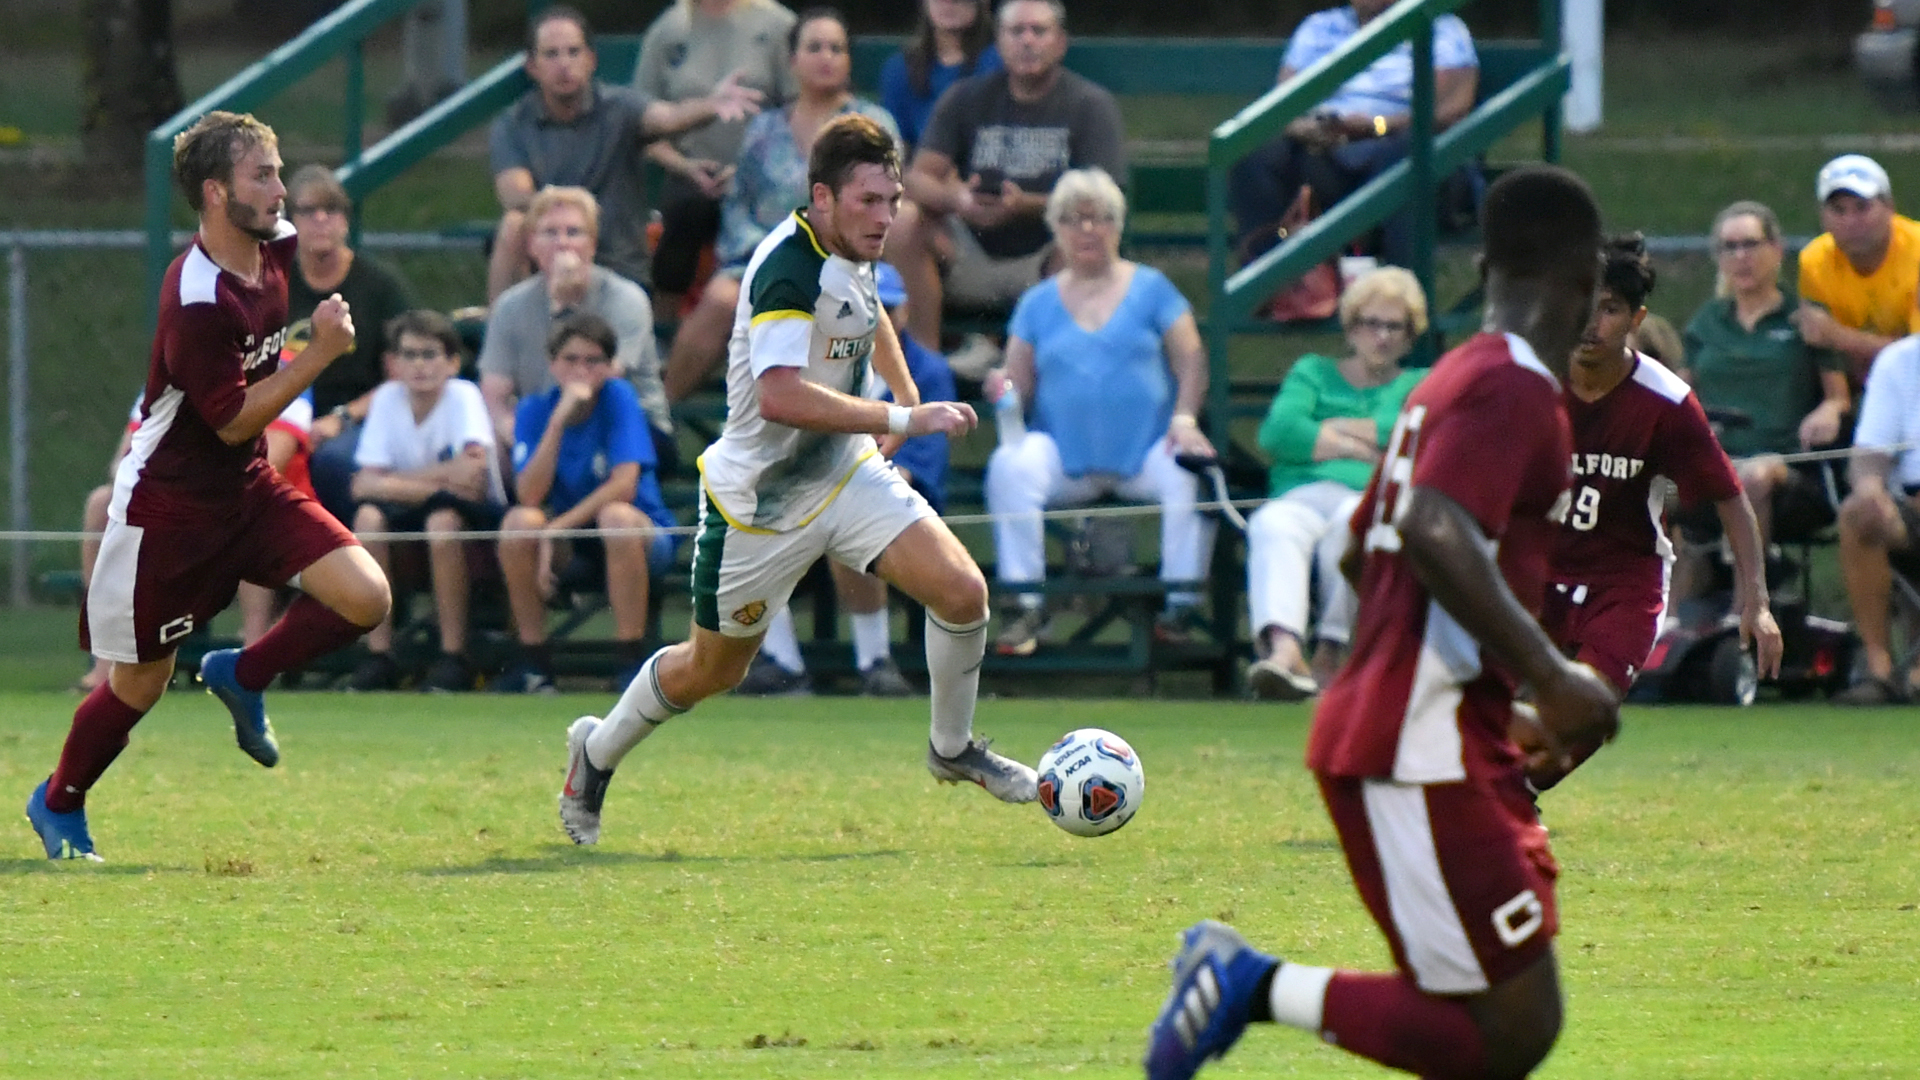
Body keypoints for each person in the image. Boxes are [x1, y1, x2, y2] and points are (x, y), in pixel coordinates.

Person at [1142, 165, 1620, 1080]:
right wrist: (1552, 679)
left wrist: (1482, 694)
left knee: (1517, 1021)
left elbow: (1367, 552)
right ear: (1586, 284)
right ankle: (1243, 982)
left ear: (1485, 268)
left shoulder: (1448, 380)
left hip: (1427, 728)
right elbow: (1434, 529)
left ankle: (1250, 983)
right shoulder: (1512, 387)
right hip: (1414, 745)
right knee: (1503, 1026)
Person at [553, 114, 1032, 848]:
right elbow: (778, 396)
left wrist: (899, 402)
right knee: (709, 671)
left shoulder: (854, 247)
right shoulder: (786, 268)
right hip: (760, 505)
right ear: (823, 197)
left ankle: (952, 747)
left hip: (844, 474)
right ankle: (596, 751)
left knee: (964, 592)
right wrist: (902, 421)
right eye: (869, 201)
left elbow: (870, 319)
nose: (886, 216)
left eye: (893, 199)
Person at [24, 111, 391, 861]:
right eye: (265, 174)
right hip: (169, 509)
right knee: (141, 684)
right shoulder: (195, 299)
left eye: (280, 170)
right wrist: (318, 353)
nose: (283, 189)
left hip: (247, 489)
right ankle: (58, 801)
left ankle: (241, 672)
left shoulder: (277, 245)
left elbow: (242, 435)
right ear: (218, 194)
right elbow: (227, 422)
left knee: (366, 597)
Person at [1536, 235, 1783, 788]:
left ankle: (1511, 796)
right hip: (1533, 571)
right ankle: (1489, 799)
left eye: (1609, 309)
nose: (1590, 323)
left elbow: (1729, 495)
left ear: (1635, 318)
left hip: (1624, 580)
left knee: (1591, 712)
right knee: (1476, 701)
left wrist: (1757, 603)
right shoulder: (1530, 383)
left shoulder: (1665, 401)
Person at [982, 168, 1215, 657]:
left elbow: (1191, 356)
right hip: (1064, 455)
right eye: (1073, 219)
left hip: (1148, 447)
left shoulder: (1153, 289)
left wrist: (1185, 417)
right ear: (1056, 228)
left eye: (1099, 218)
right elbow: (1017, 382)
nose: (1087, 230)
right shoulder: (1037, 302)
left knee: (1188, 474)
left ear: (1118, 225)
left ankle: (1179, 609)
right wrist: (1001, 386)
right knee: (1010, 466)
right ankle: (1025, 606)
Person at [736, 261, 955, 696]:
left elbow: (918, 464)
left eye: (889, 311)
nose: (880, 322)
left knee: (854, 513)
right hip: (808, 489)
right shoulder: (810, 362)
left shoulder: (926, 371)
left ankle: (874, 660)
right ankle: (781, 664)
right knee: (750, 519)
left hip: (894, 498)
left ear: (904, 314)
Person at [661, 7, 901, 403]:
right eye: (814, 47)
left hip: (845, 264)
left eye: (836, 49)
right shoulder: (764, 129)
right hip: (764, 260)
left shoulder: (874, 127)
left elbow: (885, 204)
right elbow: (738, 205)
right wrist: (770, 254)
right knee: (722, 297)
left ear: (848, 61)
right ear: (792, 61)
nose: (825, 56)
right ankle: (660, 419)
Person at [889, 0, 1128, 355]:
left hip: (1048, 254)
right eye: (1016, 32)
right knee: (903, 221)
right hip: (968, 247)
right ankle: (925, 365)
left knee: (1086, 234)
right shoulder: (965, 98)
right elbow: (917, 177)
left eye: (1039, 31)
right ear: (999, 43)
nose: (1027, 41)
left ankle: (1053, 370)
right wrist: (958, 200)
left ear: (1061, 42)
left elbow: (1108, 196)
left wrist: (1025, 205)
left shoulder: (1090, 105)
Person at [486, 4, 763, 301]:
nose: (564, 63)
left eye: (573, 52)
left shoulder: (620, 108)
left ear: (591, 60)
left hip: (617, 268)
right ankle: (499, 332)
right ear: (532, 66)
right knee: (514, 224)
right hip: (546, 268)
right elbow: (515, 194)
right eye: (551, 54)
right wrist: (573, 216)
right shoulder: (513, 124)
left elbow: (670, 117)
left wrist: (711, 104)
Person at [1244, 266, 1426, 701]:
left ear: (1409, 334)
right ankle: (1285, 650)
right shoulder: (1313, 371)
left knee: (1353, 523)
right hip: (1300, 495)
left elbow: (1412, 435)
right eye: (1371, 323)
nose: (1381, 336)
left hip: (1369, 497)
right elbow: (1278, 432)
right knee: (1272, 525)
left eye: (1393, 326)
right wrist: (1370, 444)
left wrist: (1327, 431)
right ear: (1351, 327)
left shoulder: (1418, 384)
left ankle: (1331, 649)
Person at [494, 313, 678, 695]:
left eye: (593, 361)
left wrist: (555, 529)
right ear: (552, 364)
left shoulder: (619, 398)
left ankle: (630, 662)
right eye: (571, 360)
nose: (581, 370)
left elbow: (624, 485)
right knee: (518, 521)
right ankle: (534, 662)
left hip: (640, 534)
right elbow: (530, 494)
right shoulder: (533, 409)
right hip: (571, 541)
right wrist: (558, 422)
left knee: (617, 518)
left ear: (610, 367)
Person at [1229, 0, 1479, 268]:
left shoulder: (1442, 29)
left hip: (1403, 150)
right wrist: (1305, 128)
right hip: (1326, 151)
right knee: (1257, 155)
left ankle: (1400, 290)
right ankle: (1267, 285)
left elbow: (1451, 110)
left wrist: (1377, 126)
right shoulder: (1319, 27)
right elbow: (1282, 104)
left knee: (1404, 156)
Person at [345, 310, 509, 693]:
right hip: (407, 517)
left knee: (442, 522)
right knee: (367, 519)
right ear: (394, 363)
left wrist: (392, 482)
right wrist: (439, 478)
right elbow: (362, 486)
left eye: (430, 354)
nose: (419, 365)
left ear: (452, 362)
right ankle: (380, 655)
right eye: (410, 355)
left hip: (478, 524)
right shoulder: (386, 399)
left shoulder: (464, 396)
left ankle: (454, 656)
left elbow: (473, 479)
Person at [1679, 202, 1851, 561]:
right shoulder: (1707, 321)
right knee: (1652, 483)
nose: (1741, 256)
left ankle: (1750, 607)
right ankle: (1669, 607)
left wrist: (1829, 412)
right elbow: (1679, 395)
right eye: (1730, 247)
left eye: (1751, 244)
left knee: (1754, 476)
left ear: (1776, 249)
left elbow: (1838, 398)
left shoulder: (1802, 318)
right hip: (1716, 459)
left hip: (1788, 471)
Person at [478, 186, 672, 469]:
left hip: (625, 426)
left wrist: (563, 306)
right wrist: (519, 439)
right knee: (489, 451)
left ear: (592, 245)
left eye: (574, 232)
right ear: (532, 245)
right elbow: (494, 395)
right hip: (543, 426)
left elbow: (593, 380)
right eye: (550, 233)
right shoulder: (510, 305)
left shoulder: (625, 298)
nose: (563, 243)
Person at [634, 0, 799, 323]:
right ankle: (663, 330)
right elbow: (643, 127)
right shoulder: (667, 31)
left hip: (768, 173)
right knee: (685, 209)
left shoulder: (778, 25)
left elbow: (800, 109)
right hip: (692, 172)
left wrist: (751, 168)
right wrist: (685, 166)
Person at [284, 164, 418, 525]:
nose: (321, 220)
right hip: (282, 414)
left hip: (358, 417)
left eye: (333, 210)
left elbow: (402, 375)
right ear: (289, 221)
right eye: (309, 211)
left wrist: (340, 419)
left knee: (331, 461)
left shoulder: (378, 287)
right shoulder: (271, 285)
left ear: (346, 220)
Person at [1833, 329, 1920, 703]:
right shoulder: (1898, 362)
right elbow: (1869, 454)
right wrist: (1870, 488)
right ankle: (1879, 671)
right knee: (1858, 514)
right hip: (1911, 509)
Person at [1796, 154, 1920, 385]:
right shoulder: (1814, 262)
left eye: (1862, 208)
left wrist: (1841, 337)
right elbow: (1825, 351)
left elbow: (1915, 360)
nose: (1851, 221)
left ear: (1890, 207)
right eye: (1838, 210)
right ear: (1822, 215)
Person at [879, 0, 1002, 152]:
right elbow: (897, 142)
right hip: (920, 169)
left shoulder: (1001, 61)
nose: (949, 3)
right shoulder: (899, 68)